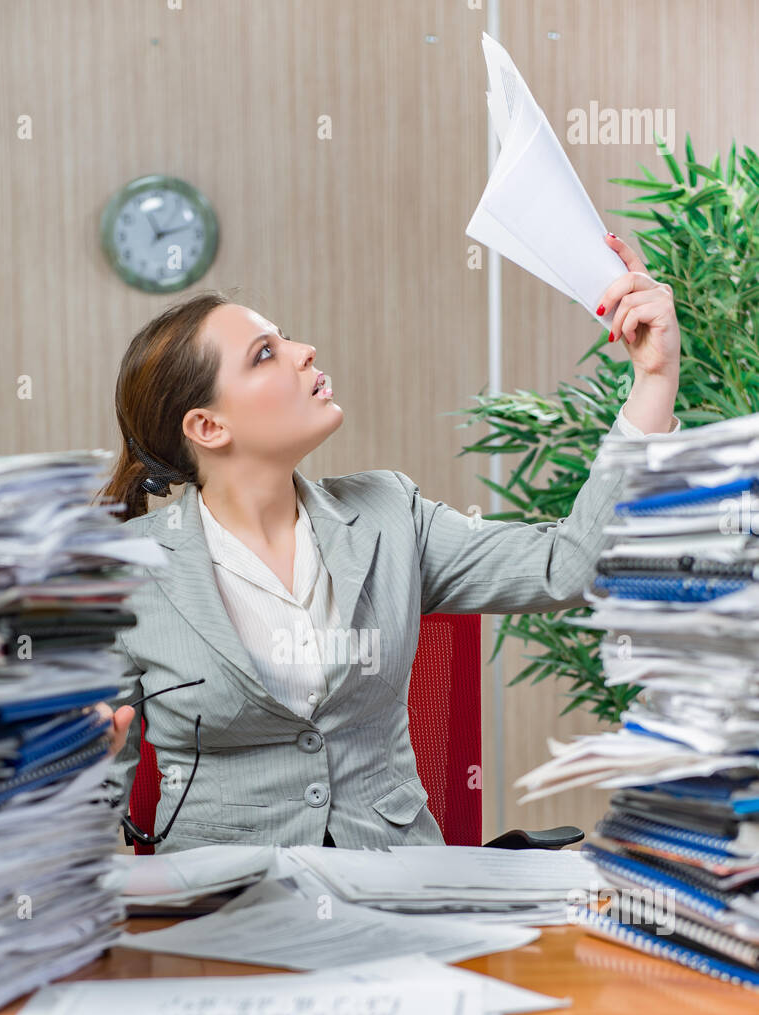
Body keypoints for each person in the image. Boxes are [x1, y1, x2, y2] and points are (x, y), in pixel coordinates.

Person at [94, 232, 681, 851]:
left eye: (285, 337)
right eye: (265, 354)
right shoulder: (125, 576)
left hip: (395, 888)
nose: (304, 351)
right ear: (209, 426)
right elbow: (89, 796)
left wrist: (653, 379)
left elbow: (573, 565)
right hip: (222, 905)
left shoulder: (389, 514)